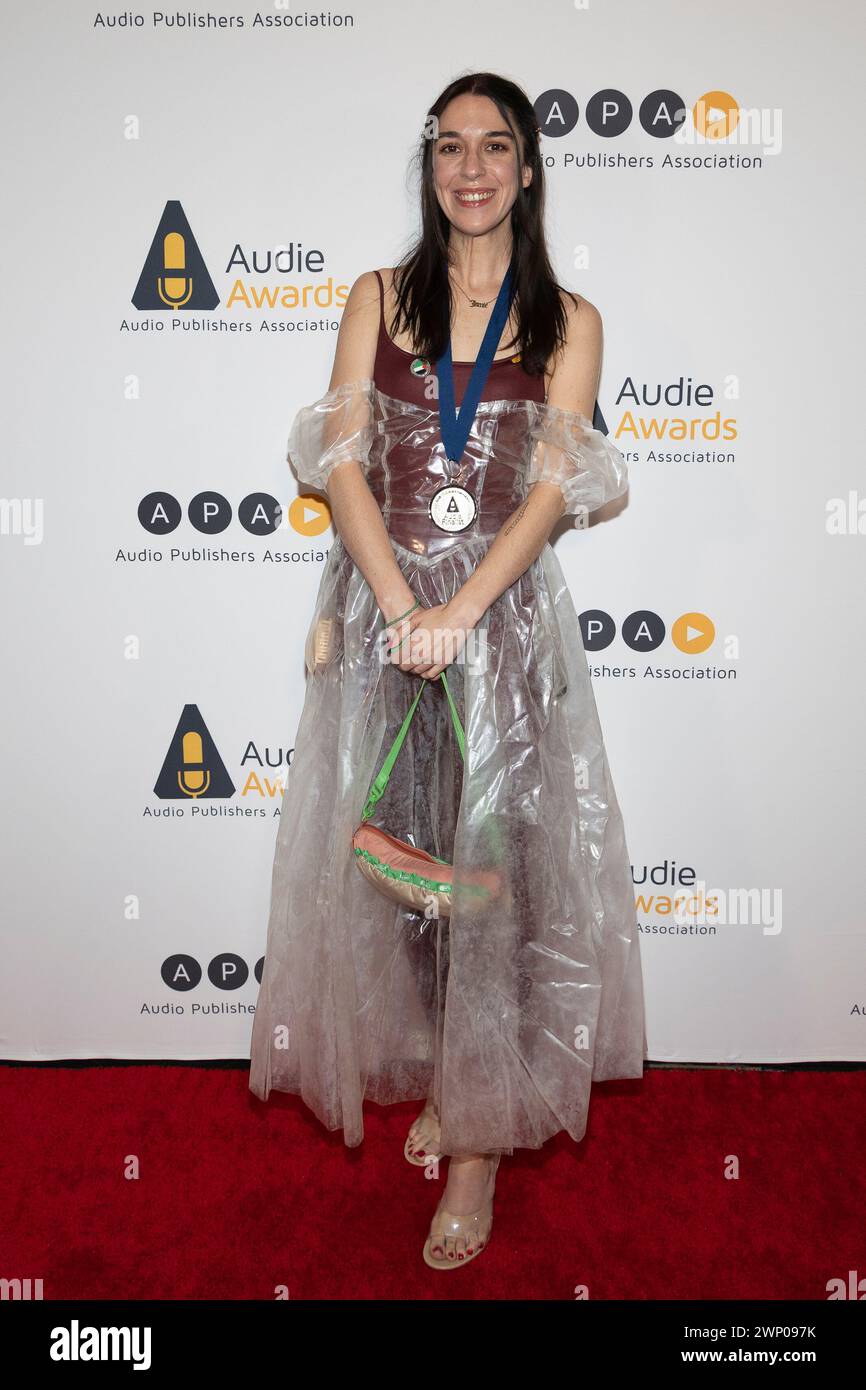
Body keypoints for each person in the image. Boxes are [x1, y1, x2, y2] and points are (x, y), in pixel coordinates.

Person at [249, 71, 646, 1270]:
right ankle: (458, 1086)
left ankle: (475, 1148)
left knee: (501, 887)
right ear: (429, 170)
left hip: (500, 630)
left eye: (495, 148)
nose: (471, 169)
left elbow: (545, 493)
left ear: (528, 168)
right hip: (388, 622)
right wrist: (392, 603)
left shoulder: (569, 320)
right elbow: (344, 465)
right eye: (449, 149)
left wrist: (462, 609)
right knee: (408, 878)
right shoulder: (377, 298)